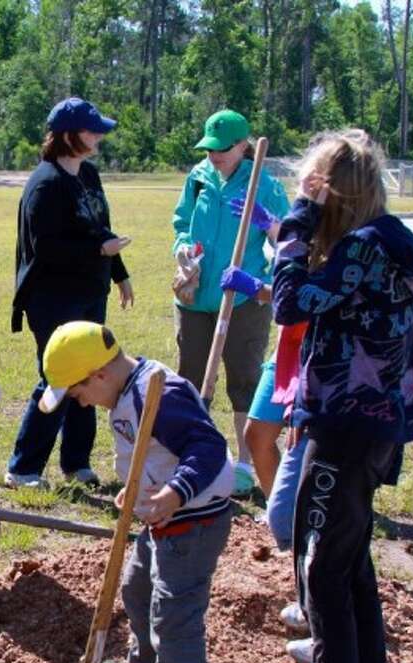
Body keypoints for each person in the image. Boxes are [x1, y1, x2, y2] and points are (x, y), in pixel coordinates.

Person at [264, 129, 413, 663]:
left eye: (314, 190)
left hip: (344, 423)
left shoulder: (363, 249)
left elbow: (290, 304)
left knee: (322, 568)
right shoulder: (394, 243)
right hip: (379, 422)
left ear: (332, 193)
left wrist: (296, 225)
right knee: (350, 560)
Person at [39, 321, 234, 663]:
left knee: (174, 616)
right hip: (160, 516)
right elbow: (154, 449)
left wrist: (173, 492)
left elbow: (207, 447)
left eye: (77, 393)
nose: (82, 403)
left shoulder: (158, 393)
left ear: (100, 376)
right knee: (136, 586)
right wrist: (140, 485)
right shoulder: (125, 391)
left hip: (193, 520)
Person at [7, 97, 134, 491]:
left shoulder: (89, 175)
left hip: (89, 294)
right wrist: (99, 252)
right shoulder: (45, 184)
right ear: (66, 135)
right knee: (59, 377)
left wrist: (119, 274)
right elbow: (45, 249)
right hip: (52, 299)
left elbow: (102, 231)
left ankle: (76, 462)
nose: (98, 136)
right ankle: (23, 468)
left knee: (91, 374)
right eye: (90, 130)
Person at [172, 109, 291, 498]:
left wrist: (261, 280)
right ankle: (191, 457)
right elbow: (181, 223)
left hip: (243, 300)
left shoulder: (264, 185)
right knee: (189, 379)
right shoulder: (198, 178)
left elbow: (289, 245)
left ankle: (242, 465)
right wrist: (183, 252)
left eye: (222, 149)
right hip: (196, 297)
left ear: (244, 145)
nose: (214, 156)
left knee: (244, 380)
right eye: (209, 148)